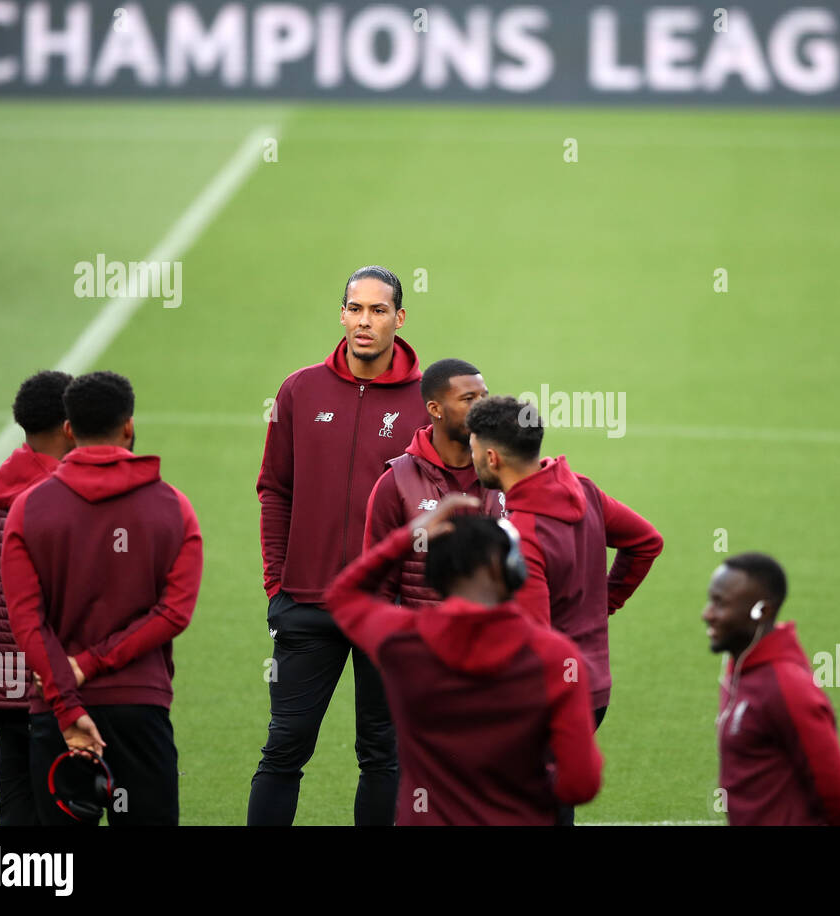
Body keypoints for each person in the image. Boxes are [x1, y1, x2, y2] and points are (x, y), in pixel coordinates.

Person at [250, 265, 428, 826]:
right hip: (306, 604)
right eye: (356, 309)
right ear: (342, 313)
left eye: (379, 311)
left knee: (384, 758)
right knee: (283, 751)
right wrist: (277, 581)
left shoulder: (429, 401)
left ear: (399, 319)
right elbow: (275, 488)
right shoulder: (300, 390)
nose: (365, 321)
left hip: (390, 613)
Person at [324, 495, 603, 825]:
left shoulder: (401, 642)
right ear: (503, 567)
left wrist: (410, 534)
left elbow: (342, 596)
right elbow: (580, 785)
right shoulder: (556, 657)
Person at [2, 371, 202, 825]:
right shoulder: (175, 507)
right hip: (140, 712)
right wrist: (93, 662)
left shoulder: (28, 508)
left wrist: (69, 707)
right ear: (128, 427)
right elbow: (174, 613)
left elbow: (27, 622)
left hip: (56, 713)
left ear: (69, 430)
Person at [466, 395, 661, 824]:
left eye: (474, 447)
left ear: (493, 457)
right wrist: (602, 604)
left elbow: (533, 643)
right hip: (593, 691)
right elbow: (647, 541)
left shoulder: (522, 534)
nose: (472, 456)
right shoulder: (583, 490)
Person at [0, 370, 74, 825]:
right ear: (70, 426)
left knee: (15, 805)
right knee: (62, 809)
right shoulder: (57, 503)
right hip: (44, 687)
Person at [702, 553, 840, 826]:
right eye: (710, 600)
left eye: (720, 604)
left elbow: (839, 793)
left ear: (762, 611)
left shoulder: (787, 687)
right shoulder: (742, 668)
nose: (707, 614)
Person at [363, 358, 503, 608]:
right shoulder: (396, 481)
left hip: (491, 640)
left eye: (485, 397)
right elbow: (378, 580)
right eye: (469, 399)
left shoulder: (504, 473)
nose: (483, 408)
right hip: (422, 640)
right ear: (435, 408)